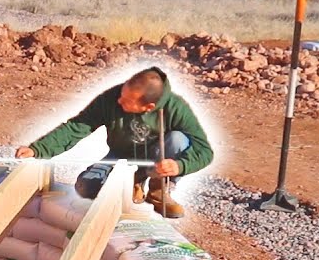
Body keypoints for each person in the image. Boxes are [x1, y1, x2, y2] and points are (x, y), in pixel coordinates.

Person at [15, 66, 213, 218]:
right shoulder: (112, 98)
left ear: (148, 107)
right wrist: (38, 149)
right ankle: (131, 183)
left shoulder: (175, 107)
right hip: (121, 156)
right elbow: (78, 126)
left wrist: (179, 166)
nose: (119, 101)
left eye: (127, 101)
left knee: (178, 140)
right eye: (122, 94)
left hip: (155, 160)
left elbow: (205, 151)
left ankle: (158, 189)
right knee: (86, 188)